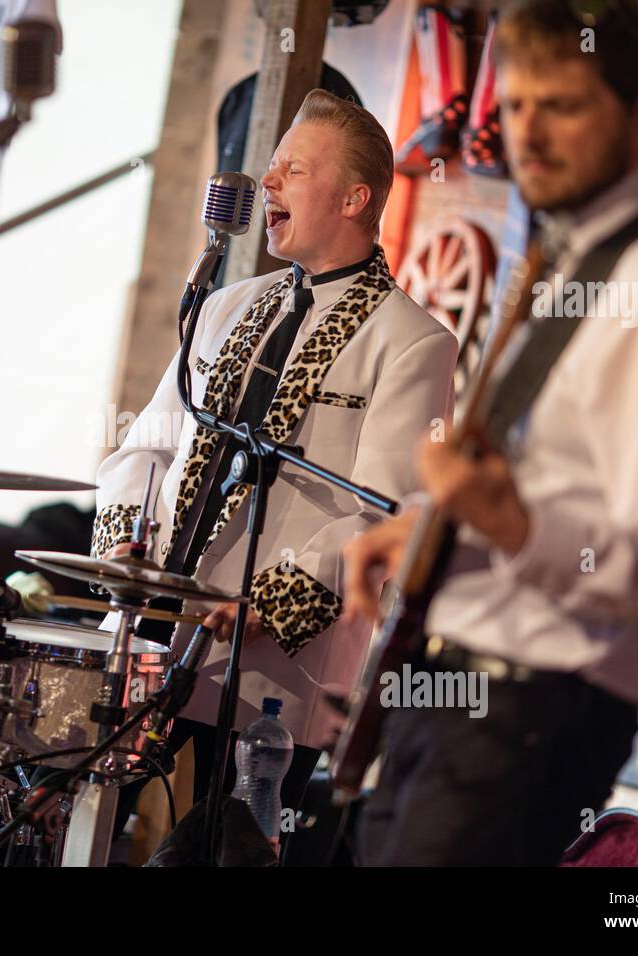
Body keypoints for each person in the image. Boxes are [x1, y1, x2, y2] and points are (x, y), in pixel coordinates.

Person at [343, 0, 638, 866]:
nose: (530, 131)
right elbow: (554, 490)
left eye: (563, 105)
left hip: (528, 719)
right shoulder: (564, 260)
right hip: (456, 698)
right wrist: (430, 532)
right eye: (518, 104)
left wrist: (514, 527)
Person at [92, 90, 458, 836]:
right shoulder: (229, 305)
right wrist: (122, 548)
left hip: (266, 670)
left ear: (356, 197)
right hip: (148, 634)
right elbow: (148, 445)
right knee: (88, 833)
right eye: (269, 167)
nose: (268, 183)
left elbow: (385, 508)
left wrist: (269, 606)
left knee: (232, 849)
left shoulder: (413, 342)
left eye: (293, 168)